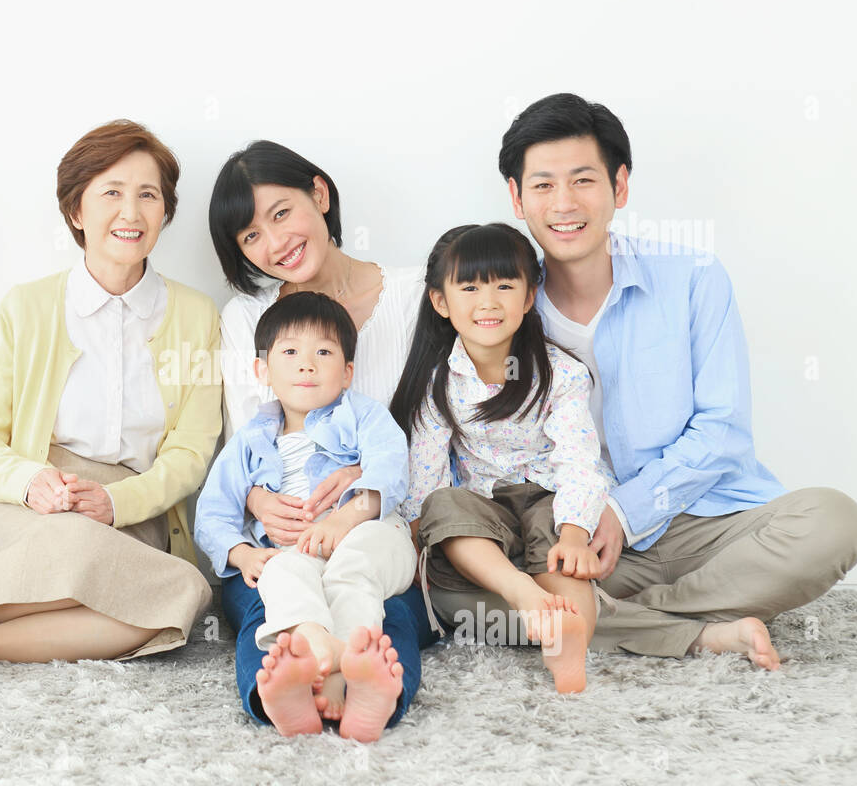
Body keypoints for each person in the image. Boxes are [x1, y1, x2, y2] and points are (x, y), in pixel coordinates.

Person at [479, 92, 857, 668]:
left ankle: (617, 619)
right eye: (542, 185)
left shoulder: (694, 279)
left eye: (583, 180)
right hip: (575, 539)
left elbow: (722, 430)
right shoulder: (499, 307)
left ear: (620, 186)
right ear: (516, 197)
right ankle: (697, 627)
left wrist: (625, 512)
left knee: (834, 521)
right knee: (459, 579)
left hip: (706, 524)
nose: (564, 203)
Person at [0, 121, 218, 680]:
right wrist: (30, 480)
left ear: (165, 212)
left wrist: (118, 503)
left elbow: (192, 451)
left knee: (184, 593)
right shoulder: (27, 308)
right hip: (27, 504)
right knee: (83, 553)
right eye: (111, 193)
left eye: (149, 195)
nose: (132, 212)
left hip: (130, 510)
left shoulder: (197, 316)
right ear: (77, 212)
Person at [208, 139, 438, 733]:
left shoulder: (420, 295)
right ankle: (283, 696)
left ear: (320, 194)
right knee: (274, 605)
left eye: (281, 213)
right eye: (250, 236)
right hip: (285, 539)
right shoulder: (245, 320)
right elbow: (243, 457)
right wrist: (259, 516)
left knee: (389, 610)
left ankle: (371, 695)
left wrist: (366, 497)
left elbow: (432, 435)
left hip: (380, 525)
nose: (274, 243)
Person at [390, 223, 612, 693]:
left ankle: (567, 646)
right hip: (485, 514)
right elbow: (425, 474)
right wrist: (411, 542)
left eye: (504, 285)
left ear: (530, 297)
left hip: (547, 501)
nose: (488, 302)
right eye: (469, 287)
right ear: (441, 302)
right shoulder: (438, 382)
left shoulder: (562, 374)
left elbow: (579, 461)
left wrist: (574, 535)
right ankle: (524, 596)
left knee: (560, 556)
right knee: (444, 505)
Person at [196, 292, 416, 740]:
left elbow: (392, 467)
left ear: (348, 371)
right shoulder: (250, 441)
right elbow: (212, 511)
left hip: (366, 534)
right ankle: (320, 652)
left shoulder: (362, 416)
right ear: (262, 370)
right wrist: (243, 555)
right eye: (290, 352)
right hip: (295, 550)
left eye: (324, 352)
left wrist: (346, 516)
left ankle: (344, 675)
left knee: (356, 572)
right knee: (279, 576)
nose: (307, 365)